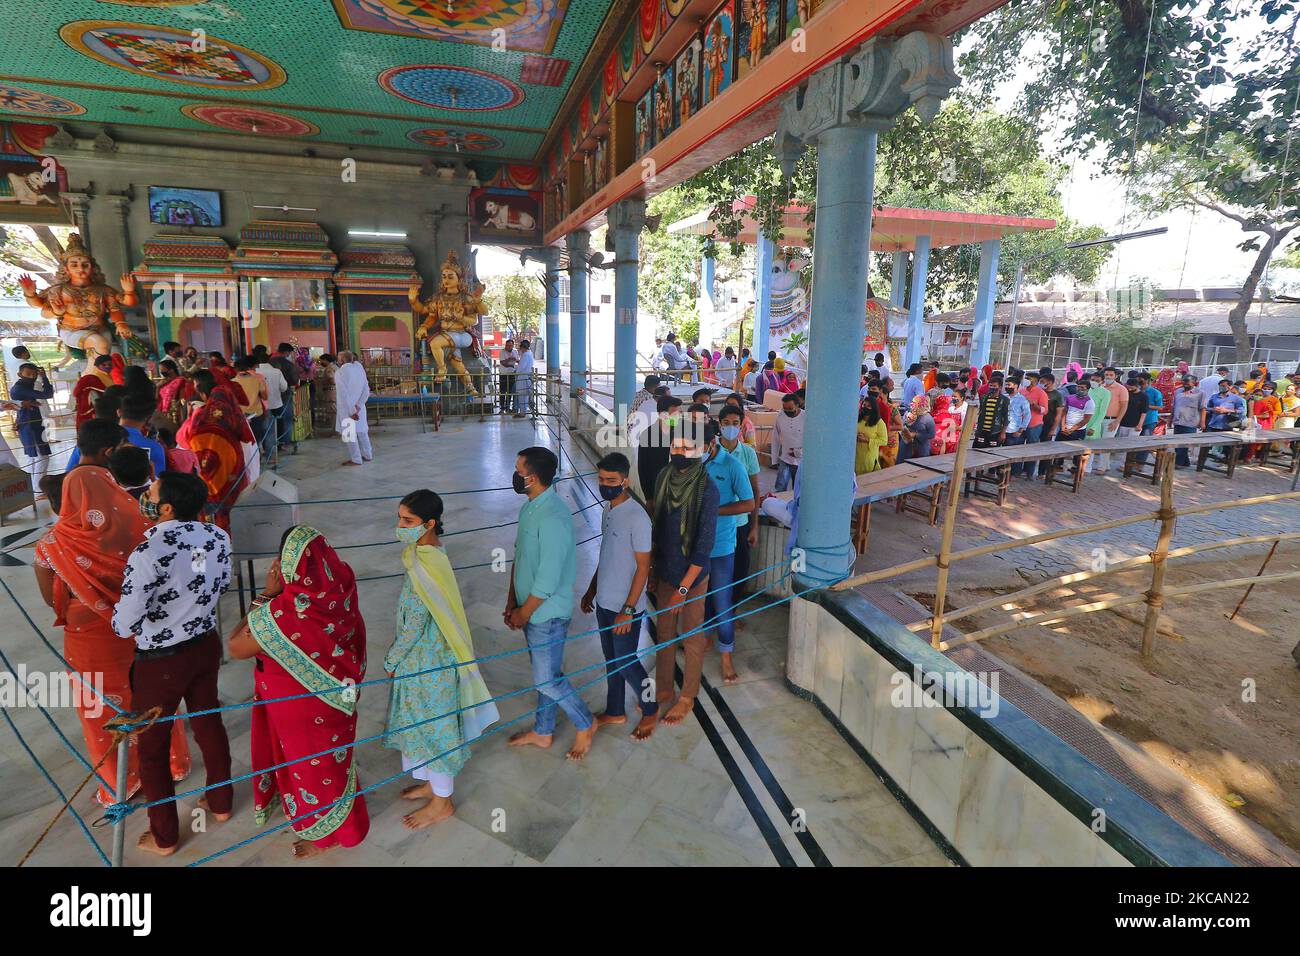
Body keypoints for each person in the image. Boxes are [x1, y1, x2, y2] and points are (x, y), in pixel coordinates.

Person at [33, 422, 191, 811]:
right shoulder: (141, 526)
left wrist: (72, 607)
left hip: (87, 634)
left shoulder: (54, 544)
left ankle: (120, 783)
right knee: (153, 693)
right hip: (144, 629)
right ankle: (174, 763)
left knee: (101, 706)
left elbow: (51, 598)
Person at [227, 525, 369, 859]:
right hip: (337, 700)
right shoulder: (340, 585)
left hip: (301, 710)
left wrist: (265, 595)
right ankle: (346, 822)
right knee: (333, 764)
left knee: (311, 769)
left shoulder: (284, 613)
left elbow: (235, 646)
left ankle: (328, 836)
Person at [113, 472, 232, 856]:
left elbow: (126, 622)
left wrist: (118, 618)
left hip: (161, 663)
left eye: (150, 492)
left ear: (165, 507)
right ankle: (221, 804)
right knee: (208, 721)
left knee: (151, 747)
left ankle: (165, 836)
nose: (144, 496)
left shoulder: (149, 550)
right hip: (205, 646)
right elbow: (219, 583)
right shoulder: (217, 536)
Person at [386, 490, 499, 828]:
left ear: (430, 524)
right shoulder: (422, 553)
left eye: (408, 520)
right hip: (420, 662)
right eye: (400, 518)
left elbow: (416, 623)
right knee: (420, 728)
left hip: (429, 663)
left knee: (434, 730)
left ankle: (442, 803)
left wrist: (391, 660)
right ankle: (430, 784)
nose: (400, 525)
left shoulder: (427, 563)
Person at [505, 446, 596, 759]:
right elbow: (521, 556)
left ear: (532, 477)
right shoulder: (530, 507)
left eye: (518, 471)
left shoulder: (554, 515)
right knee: (546, 676)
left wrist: (524, 612)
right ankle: (543, 732)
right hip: (529, 608)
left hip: (547, 614)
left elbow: (548, 577)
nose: (515, 476)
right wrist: (512, 602)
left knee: (547, 679)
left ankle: (585, 723)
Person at [580, 453, 657, 741]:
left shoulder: (637, 517)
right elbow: (606, 555)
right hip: (604, 602)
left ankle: (650, 708)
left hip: (627, 607)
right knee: (612, 660)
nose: (605, 485)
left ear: (625, 481)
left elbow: (643, 566)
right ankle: (615, 710)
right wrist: (591, 589)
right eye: (601, 479)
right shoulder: (607, 510)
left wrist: (628, 608)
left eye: (611, 481)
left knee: (627, 661)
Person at [649, 431, 719, 726]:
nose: (678, 451)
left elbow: (703, 550)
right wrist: (653, 570)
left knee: (691, 636)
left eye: (686, 447)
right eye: (675, 445)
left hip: (692, 577)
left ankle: (687, 696)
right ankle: (663, 687)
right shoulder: (664, 475)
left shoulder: (707, 489)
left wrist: (682, 589)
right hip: (666, 570)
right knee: (664, 633)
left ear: (702, 450)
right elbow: (658, 527)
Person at [699, 419, 754, 685]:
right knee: (698, 600)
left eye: (697, 445)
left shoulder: (733, 466)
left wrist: (715, 511)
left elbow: (748, 503)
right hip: (694, 546)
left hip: (721, 545)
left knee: (722, 601)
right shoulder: (690, 462)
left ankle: (726, 656)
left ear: (712, 442)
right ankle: (702, 637)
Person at [176, 370, 255, 529]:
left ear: (201, 392)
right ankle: (235, 533)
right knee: (232, 499)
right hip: (232, 464)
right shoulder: (230, 409)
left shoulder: (200, 416)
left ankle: (217, 537)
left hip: (210, 470)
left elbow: (183, 439)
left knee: (215, 508)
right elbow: (243, 433)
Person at [717, 404, 760, 588]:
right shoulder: (710, 451)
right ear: (719, 425)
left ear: (742, 426)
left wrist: (754, 526)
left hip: (741, 523)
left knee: (739, 573)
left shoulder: (748, 453)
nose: (730, 427)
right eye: (726, 423)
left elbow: (755, 491)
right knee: (714, 575)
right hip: (716, 523)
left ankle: (730, 612)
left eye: (735, 423)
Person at [10, 362, 54, 494]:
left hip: (31, 424)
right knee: (42, 456)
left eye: (34, 374)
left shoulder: (25, 386)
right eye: (28, 374)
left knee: (34, 457)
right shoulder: (20, 389)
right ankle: (38, 489)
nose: (32, 377)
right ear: (19, 374)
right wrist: (44, 378)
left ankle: (30, 487)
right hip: (29, 426)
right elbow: (47, 394)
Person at [334, 350, 374, 465]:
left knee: (349, 434)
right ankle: (368, 454)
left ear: (341, 360)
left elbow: (343, 394)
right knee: (362, 431)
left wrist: (352, 410)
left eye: (338, 358)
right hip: (359, 408)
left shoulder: (340, 372)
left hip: (347, 409)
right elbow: (366, 390)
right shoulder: (359, 368)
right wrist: (359, 406)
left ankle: (356, 459)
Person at [638, 395, 679, 503]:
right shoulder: (648, 436)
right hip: (657, 493)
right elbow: (643, 469)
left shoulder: (680, 433)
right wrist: (649, 498)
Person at [1169, 375, 1207, 468]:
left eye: (1188, 382)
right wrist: (1170, 420)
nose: (1185, 384)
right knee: (1177, 442)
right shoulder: (1178, 391)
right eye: (1184, 382)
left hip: (1191, 422)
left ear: (1194, 383)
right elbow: (1174, 407)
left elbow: (1203, 408)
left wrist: (1202, 422)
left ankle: (1178, 463)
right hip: (1178, 421)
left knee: (1185, 443)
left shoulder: (1200, 393)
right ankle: (1185, 462)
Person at [771, 391, 804, 491]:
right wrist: (774, 459)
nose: (787, 411)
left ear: (797, 405)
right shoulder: (780, 416)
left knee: (798, 490)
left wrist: (799, 452)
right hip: (784, 459)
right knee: (780, 487)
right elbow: (775, 438)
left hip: (801, 461)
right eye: (785, 409)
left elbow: (812, 440)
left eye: (790, 409)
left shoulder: (806, 417)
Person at [72, 353, 115, 429]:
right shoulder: (93, 378)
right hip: (96, 412)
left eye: (110, 364)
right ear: (97, 366)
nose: (107, 366)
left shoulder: (107, 375)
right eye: (104, 365)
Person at [272, 343, 301, 449]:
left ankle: (272, 444)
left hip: (270, 395)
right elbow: (294, 380)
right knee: (287, 418)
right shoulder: (289, 365)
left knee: (273, 419)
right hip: (284, 394)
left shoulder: (268, 363)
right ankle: (285, 442)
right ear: (286, 352)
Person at [1082, 372, 1112, 472]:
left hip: (1094, 422)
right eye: (1092, 380)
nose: (1093, 382)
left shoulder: (1106, 393)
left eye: (1097, 380)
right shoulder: (1086, 389)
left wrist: (1094, 427)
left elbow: (1102, 412)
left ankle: (1087, 469)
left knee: (1089, 448)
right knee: (1079, 445)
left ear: (1102, 382)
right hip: (1082, 421)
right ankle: (1079, 467)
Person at [973, 376, 1009, 449]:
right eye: (990, 385)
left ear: (1000, 387)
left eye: (994, 386)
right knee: (977, 451)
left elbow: (1006, 417)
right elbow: (981, 413)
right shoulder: (984, 397)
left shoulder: (1004, 400)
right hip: (982, 431)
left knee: (992, 452)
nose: (992, 387)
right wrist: (977, 429)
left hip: (995, 431)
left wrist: (1003, 433)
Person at [901, 394, 935, 460]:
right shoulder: (908, 413)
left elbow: (932, 434)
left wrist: (916, 435)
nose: (911, 404)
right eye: (912, 402)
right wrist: (907, 421)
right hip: (906, 447)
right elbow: (901, 425)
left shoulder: (927, 418)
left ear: (921, 404)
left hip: (922, 449)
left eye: (914, 403)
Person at [513, 339, 535, 418]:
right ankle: (524, 411)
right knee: (526, 395)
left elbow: (521, 367)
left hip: (523, 376)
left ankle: (523, 412)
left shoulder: (525, 354)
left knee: (522, 395)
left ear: (523, 347)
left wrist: (516, 372)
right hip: (527, 376)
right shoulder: (530, 353)